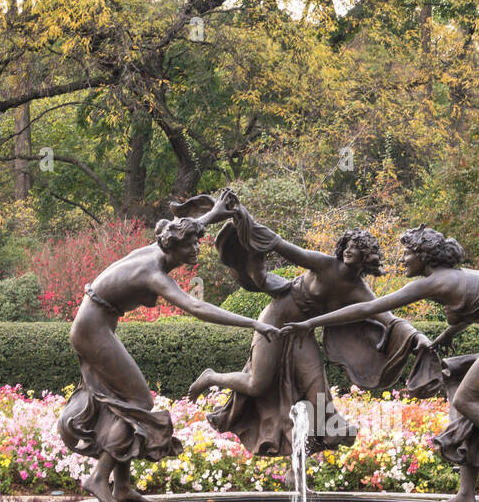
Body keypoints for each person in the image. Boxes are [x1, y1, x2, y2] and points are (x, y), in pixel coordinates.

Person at [283, 226, 479, 502]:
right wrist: (446, 336)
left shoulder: (434, 282)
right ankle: (466, 495)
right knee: (459, 387)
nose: (402, 259)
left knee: (467, 399)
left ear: (424, 256)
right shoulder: (454, 278)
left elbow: (367, 309)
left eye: (408, 253)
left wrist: (311, 322)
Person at [58, 208, 280, 502]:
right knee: (140, 402)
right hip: (92, 329)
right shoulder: (154, 274)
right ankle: (99, 477)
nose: (196, 248)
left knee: (126, 403)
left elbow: (189, 226)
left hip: (95, 325)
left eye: (197, 242)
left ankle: (122, 485)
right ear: (173, 247)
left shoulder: (161, 245)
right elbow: (197, 308)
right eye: (190, 245)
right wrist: (253, 323)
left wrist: (217, 211)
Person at [178, 192, 429, 456]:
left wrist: (416, 337)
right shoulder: (324, 264)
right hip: (274, 322)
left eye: (355, 248)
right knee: (257, 384)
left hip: (302, 332)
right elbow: (282, 245)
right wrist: (246, 219)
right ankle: (210, 377)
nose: (348, 250)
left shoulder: (359, 290)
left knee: (316, 394)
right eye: (347, 245)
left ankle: (298, 466)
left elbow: (387, 317)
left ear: (366, 258)